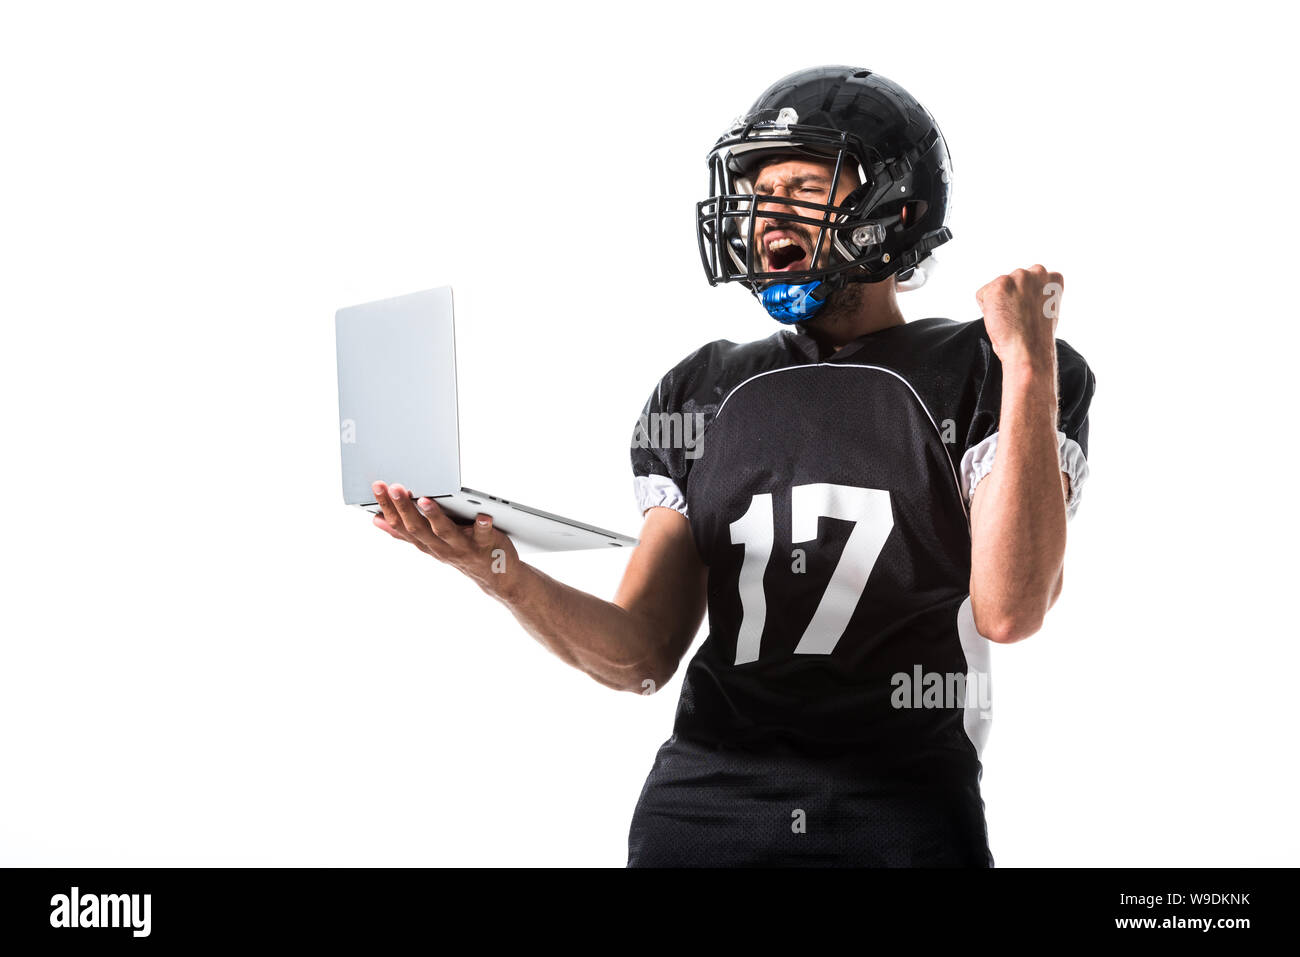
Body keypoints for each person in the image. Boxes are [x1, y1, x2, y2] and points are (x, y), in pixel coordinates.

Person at [369, 65, 1095, 867]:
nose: (766, 212)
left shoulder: (988, 365)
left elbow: (1011, 608)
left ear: (899, 207)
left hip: (896, 816)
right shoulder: (705, 387)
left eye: (801, 184)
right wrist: (502, 572)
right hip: (698, 818)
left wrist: (1028, 368)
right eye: (759, 191)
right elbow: (642, 652)